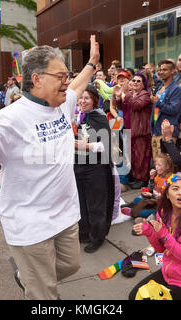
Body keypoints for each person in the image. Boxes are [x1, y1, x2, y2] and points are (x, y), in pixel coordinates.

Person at [0, 35, 100, 300]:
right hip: (30, 222)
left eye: (66, 75)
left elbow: (78, 87)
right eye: (60, 76)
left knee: (71, 265)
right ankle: (35, 284)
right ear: (36, 79)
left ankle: (29, 277)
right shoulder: (11, 118)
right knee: (44, 293)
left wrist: (92, 63)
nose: (66, 81)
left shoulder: (61, 102)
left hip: (66, 213)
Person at [129, 173, 181, 300]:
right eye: (175, 189)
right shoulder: (164, 212)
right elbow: (160, 248)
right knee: (135, 296)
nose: (180, 193)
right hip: (168, 273)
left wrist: (164, 234)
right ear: (167, 194)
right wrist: (149, 232)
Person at [74, 85, 114, 253]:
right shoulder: (78, 117)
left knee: (96, 204)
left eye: (87, 98)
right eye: (81, 98)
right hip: (78, 165)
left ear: (94, 101)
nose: (83, 101)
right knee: (80, 201)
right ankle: (84, 232)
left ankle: (97, 237)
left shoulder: (99, 117)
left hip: (96, 167)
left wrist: (87, 146)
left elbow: (105, 145)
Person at [117, 73, 152, 189]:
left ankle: (142, 179)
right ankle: (135, 177)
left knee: (141, 156)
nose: (135, 83)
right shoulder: (130, 94)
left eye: (138, 81)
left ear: (143, 84)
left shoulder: (145, 95)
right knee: (132, 156)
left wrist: (126, 95)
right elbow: (122, 107)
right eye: (134, 81)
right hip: (129, 128)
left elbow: (137, 105)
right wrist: (118, 98)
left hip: (141, 130)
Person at [150, 60, 181, 160]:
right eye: (159, 70)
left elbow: (174, 110)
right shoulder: (160, 87)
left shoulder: (176, 89)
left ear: (173, 71)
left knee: (167, 166)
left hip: (167, 133)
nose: (161, 72)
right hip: (155, 131)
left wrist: (157, 102)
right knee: (157, 165)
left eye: (164, 70)